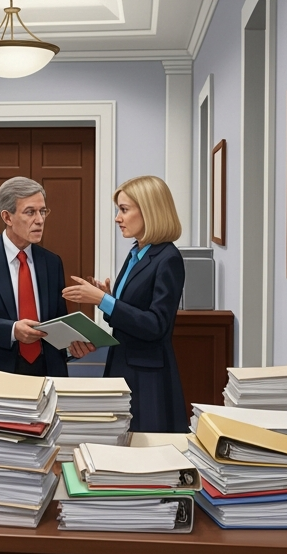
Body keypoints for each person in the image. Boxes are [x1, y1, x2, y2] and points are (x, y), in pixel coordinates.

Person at [62, 175, 188, 432]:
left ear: (149, 210)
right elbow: (132, 312)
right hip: (122, 362)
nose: (117, 218)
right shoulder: (136, 252)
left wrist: (104, 300)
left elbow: (156, 325)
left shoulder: (168, 258)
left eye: (124, 209)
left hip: (147, 374)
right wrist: (109, 298)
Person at [0, 176, 89, 377]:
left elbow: (56, 320)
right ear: (7, 217)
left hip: (46, 369)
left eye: (43, 211)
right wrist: (12, 330)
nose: (40, 220)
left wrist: (71, 346)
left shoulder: (52, 262)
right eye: (30, 212)